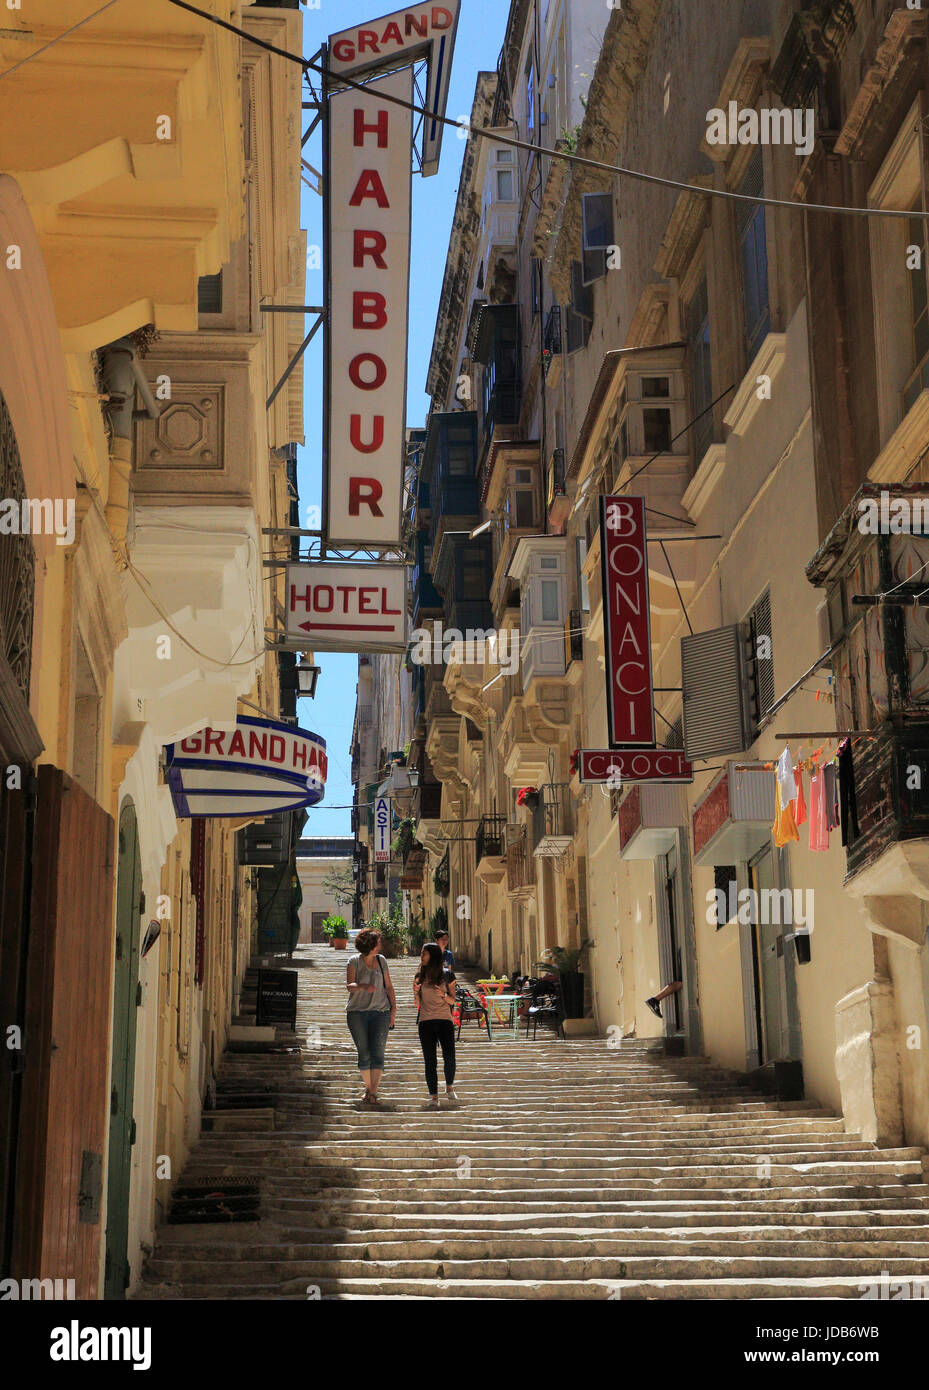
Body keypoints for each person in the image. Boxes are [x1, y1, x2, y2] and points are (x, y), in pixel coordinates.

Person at [345, 928, 396, 1106]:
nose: (380, 945)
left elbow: (389, 987)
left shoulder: (382, 961)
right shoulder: (354, 961)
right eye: (378, 942)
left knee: (378, 1053)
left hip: (381, 1012)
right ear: (370, 945)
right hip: (357, 1013)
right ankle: (369, 1089)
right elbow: (349, 986)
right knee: (364, 1053)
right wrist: (362, 986)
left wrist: (394, 1010)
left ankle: (373, 1092)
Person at [413, 941, 458, 1109]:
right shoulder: (420, 977)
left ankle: (449, 1086)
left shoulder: (447, 976)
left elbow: (453, 1000)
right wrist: (416, 993)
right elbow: (417, 1003)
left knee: (449, 1057)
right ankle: (434, 1096)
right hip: (425, 1021)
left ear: (433, 956)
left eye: (424, 953)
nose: (421, 956)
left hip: (445, 1020)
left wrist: (443, 994)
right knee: (429, 1061)